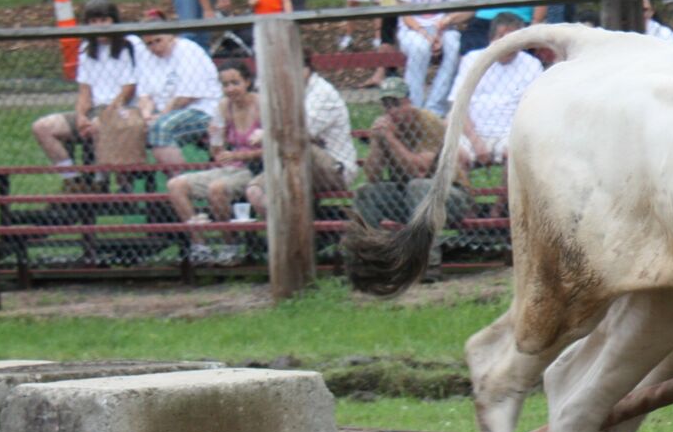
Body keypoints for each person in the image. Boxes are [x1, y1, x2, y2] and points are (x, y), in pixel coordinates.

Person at [356, 76, 472, 280]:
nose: (392, 111)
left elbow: (420, 171)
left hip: (449, 196)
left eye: (396, 104)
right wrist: (377, 141)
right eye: (386, 105)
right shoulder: (385, 128)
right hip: (406, 196)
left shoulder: (427, 122)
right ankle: (372, 264)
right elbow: (372, 176)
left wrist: (391, 140)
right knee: (367, 193)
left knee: (418, 186)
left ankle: (428, 265)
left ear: (408, 102)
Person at [31, 0, 139, 179]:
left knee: (97, 126)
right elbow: (84, 91)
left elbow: (129, 89)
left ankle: (99, 182)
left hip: (121, 110)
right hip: (92, 110)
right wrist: (81, 116)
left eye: (104, 20)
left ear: (114, 21)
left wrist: (105, 116)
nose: (99, 26)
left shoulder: (127, 46)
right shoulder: (86, 49)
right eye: (94, 21)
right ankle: (72, 179)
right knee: (42, 127)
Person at [166, 60, 262, 264]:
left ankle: (230, 245)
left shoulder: (261, 104)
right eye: (225, 85)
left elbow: (274, 147)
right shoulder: (223, 107)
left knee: (217, 188)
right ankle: (200, 245)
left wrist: (239, 156)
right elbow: (217, 152)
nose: (230, 89)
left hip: (254, 168)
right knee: (176, 185)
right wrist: (215, 139)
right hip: (229, 166)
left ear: (247, 81)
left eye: (235, 83)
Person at [244, 67, 357, 216]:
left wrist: (268, 134)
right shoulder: (290, 91)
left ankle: (294, 227)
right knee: (255, 191)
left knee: (297, 144)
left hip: (334, 169)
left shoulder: (322, 93)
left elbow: (300, 133)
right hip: (293, 166)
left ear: (305, 69)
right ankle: (284, 230)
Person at [451, 12, 543, 164]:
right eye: (501, 37)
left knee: (516, 154)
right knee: (457, 155)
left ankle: (511, 188)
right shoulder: (472, 60)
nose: (507, 44)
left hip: (511, 135)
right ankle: (461, 188)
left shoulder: (532, 65)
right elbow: (457, 107)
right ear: (491, 38)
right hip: (472, 133)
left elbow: (536, 112)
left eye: (513, 38)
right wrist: (476, 141)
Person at [134, 25, 224, 167]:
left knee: (161, 127)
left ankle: (180, 180)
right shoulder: (146, 57)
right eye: (149, 44)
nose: (155, 47)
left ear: (170, 35)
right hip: (164, 112)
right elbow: (145, 95)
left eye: (158, 40)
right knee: (132, 125)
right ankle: (130, 181)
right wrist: (146, 116)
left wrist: (161, 116)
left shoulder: (187, 50)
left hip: (201, 109)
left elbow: (186, 97)